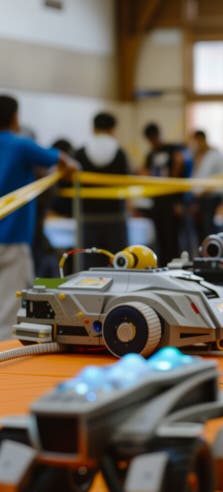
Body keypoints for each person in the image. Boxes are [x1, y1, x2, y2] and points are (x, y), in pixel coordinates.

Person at [0, 94, 75, 338]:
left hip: (12, 236)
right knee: (11, 307)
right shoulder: (21, 145)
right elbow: (68, 164)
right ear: (15, 118)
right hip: (13, 237)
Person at [74, 112, 130, 262]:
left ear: (93, 127)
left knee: (89, 265)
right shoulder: (120, 153)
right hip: (115, 216)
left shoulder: (80, 153)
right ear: (113, 129)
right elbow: (126, 182)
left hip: (88, 216)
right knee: (118, 263)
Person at [143, 122, 186, 265]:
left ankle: (176, 263)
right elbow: (145, 173)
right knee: (160, 236)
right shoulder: (150, 155)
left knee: (172, 236)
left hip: (171, 200)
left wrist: (178, 200)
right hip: (157, 201)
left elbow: (180, 172)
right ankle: (162, 263)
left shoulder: (172, 149)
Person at [189, 130, 223, 239]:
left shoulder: (215, 156)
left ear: (202, 140)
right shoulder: (198, 157)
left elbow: (222, 178)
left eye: (196, 142)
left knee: (209, 231)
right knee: (200, 232)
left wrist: (204, 192)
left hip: (211, 199)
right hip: (199, 199)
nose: (194, 145)